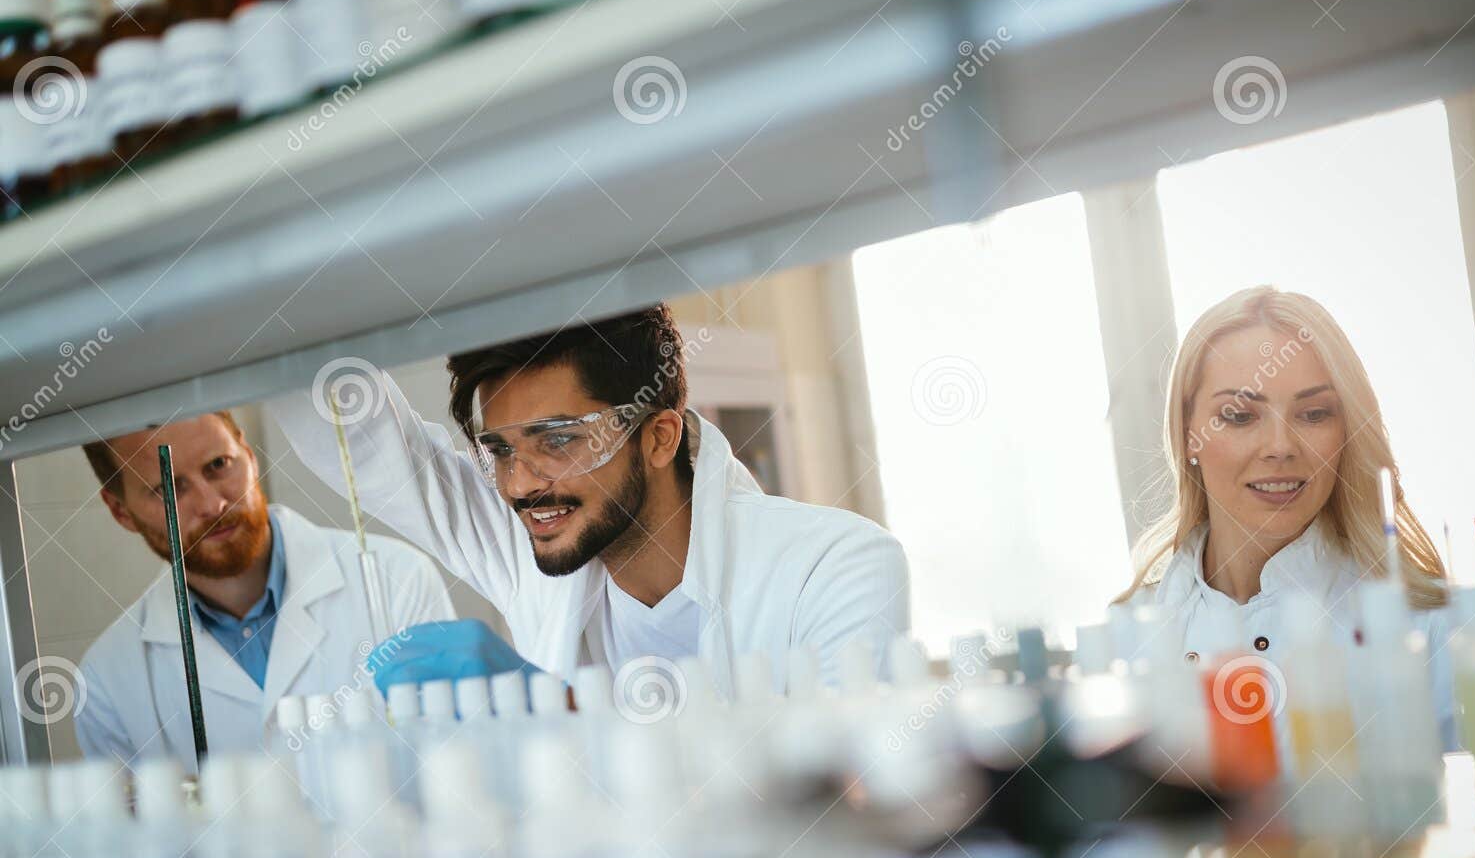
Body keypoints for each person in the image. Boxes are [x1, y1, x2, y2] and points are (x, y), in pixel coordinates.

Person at [267, 305, 910, 696]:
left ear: (659, 437)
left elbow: (839, 801)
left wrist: (557, 710)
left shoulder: (836, 565)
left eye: (558, 441)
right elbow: (363, 441)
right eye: (501, 450)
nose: (520, 485)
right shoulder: (534, 534)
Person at [1116, 286, 1457, 745]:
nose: (1280, 447)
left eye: (1314, 413)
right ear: (1187, 431)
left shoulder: (1433, 626)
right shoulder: (1126, 641)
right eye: (1239, 416)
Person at [75, 411, 455, 765]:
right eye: (168, 489)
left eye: (219, 465)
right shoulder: (108, 681)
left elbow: (453, 775)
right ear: (120, 510)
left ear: (248, 453)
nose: (213, 504)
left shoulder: (398, 579)